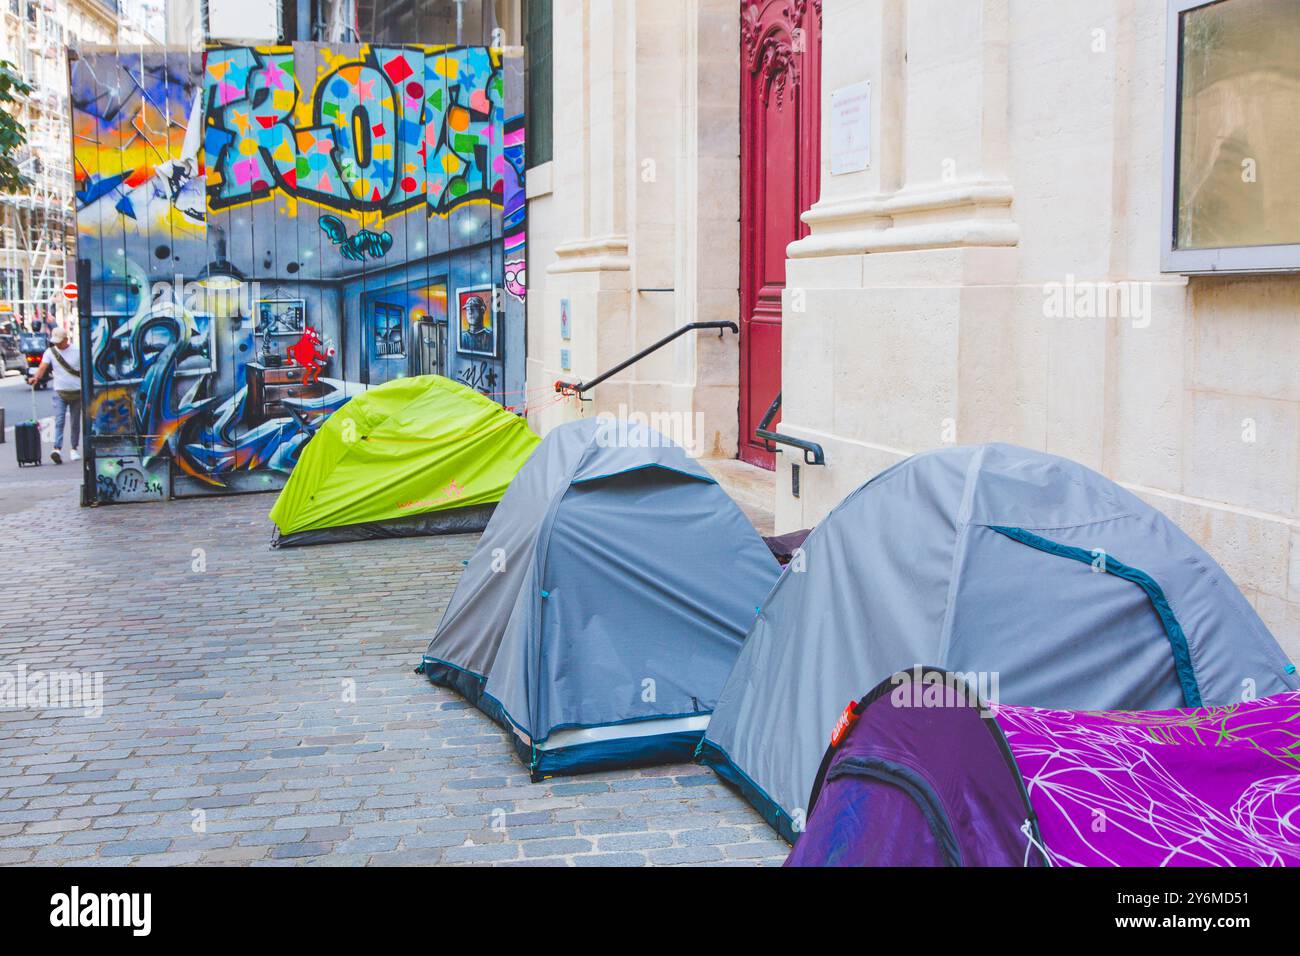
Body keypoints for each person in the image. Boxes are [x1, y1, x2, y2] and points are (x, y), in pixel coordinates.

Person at [28, 326, 81, 464]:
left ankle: (74, 448)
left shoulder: (77, 350)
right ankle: (57, 448)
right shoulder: (50, 352)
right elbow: (42, 367)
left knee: (75, 422)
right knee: (59, 420)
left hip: (77, 391)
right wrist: (36, 378)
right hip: (59, 391)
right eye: (55, 342)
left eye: (59, 341)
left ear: (66, 339)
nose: (57, 344)